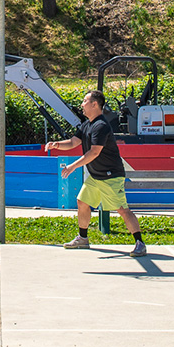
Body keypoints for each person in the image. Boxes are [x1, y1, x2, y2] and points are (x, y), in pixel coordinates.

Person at [45, 90, 146, 256]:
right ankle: (83, 239)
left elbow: (93, 153)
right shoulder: (87, 125)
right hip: (96, 176)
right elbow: (73, 142)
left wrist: (72, 166)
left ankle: (140, 243)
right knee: (82, 202)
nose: (82, 104)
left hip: (111, 176)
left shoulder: (101, 126)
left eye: (85, 101)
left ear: (95, 104)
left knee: (122, 209)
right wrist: (57, 144)